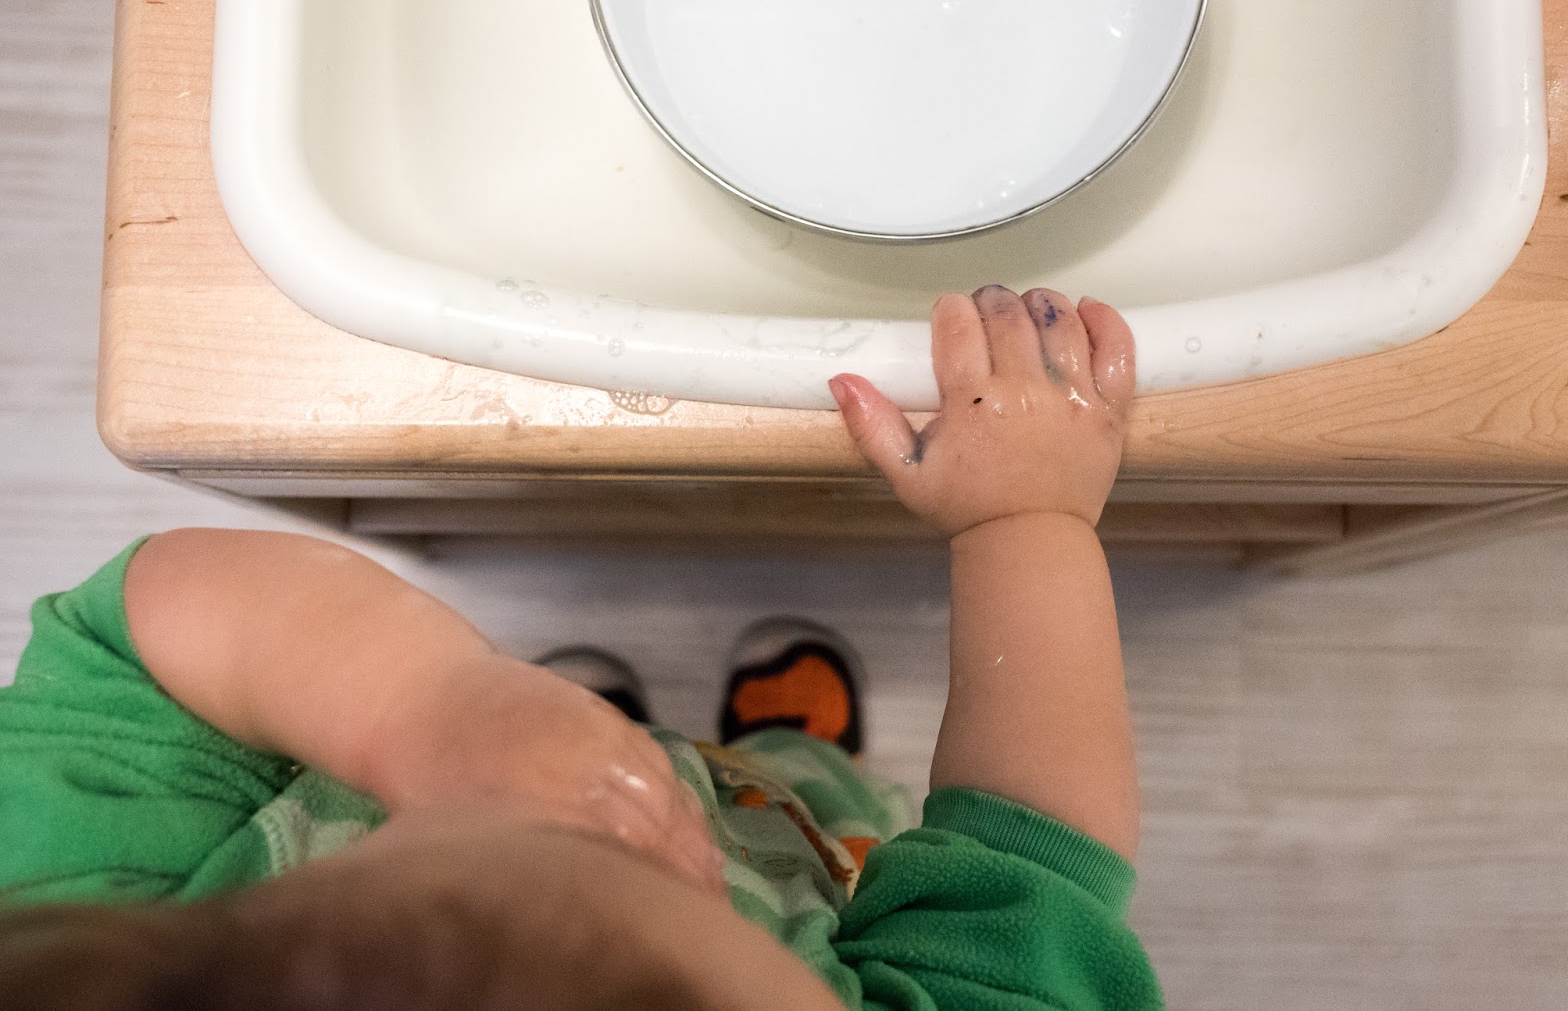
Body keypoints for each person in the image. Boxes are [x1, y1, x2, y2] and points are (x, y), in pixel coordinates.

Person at [0, 285, 1160, 1010]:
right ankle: (789, 752)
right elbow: (1030, 846)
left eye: (560, 840)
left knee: (570, 731)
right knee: (810, 805)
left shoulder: (102, 907)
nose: (655, 828)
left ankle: (570, 714)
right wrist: (1027, 521)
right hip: (813, 842)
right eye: (698, 895)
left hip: (420, 724)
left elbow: (136, 637)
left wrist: (436, 708)